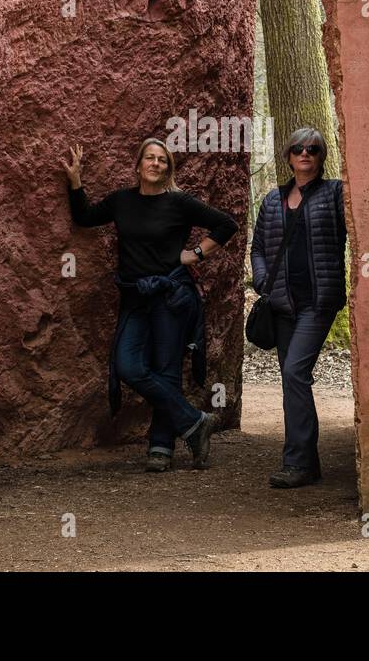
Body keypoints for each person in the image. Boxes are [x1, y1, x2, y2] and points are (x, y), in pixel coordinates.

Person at [63, 138, 237, 472]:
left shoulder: (180, 203)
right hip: (135, 297)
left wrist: (195, 253)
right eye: (150, 158)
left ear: (168, 168)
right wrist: (75, 182)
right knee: (128, 365)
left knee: (167, 370)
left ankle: (161, 447)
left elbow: (225, 224)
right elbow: (85, 216)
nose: (155, 164)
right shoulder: (122, 201)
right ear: (139, 164)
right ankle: (195, 422)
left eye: (162, 160)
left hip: (171, 296)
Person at [250, 127, 347, 488]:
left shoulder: (334, 193)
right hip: (282, 305)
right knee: (293, 381)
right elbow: (258, 247)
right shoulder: (273, 201)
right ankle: (306, 462)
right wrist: (262, 280)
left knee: (293, 373)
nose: (305, 153)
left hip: (317, 302)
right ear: (288, 156)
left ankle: (297, 462)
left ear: (321, 157)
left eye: (313, 149)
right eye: (298, 149)